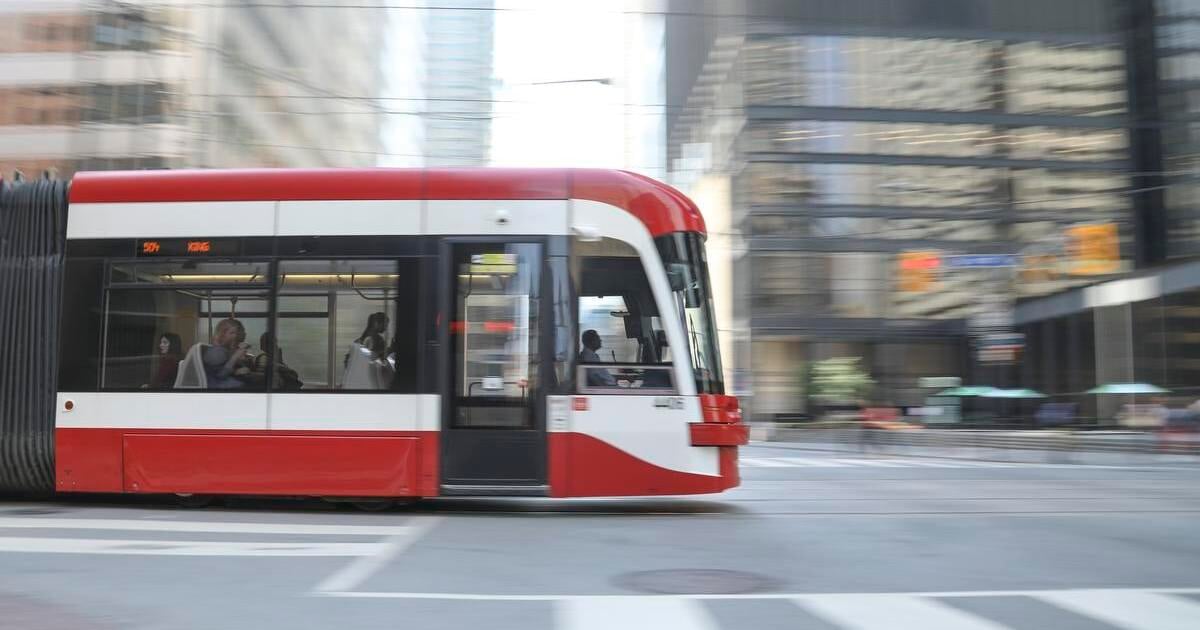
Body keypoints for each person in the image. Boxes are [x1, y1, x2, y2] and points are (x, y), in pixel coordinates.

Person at [203, 318, 251, 389]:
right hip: (214, 385)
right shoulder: (216, 351)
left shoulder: (225, 349)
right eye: (232, 333)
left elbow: (224, 369)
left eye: (236, 333)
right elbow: (220, 375)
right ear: (222, 334)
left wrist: (237, 370)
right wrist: (235, 356)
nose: (235, 336)